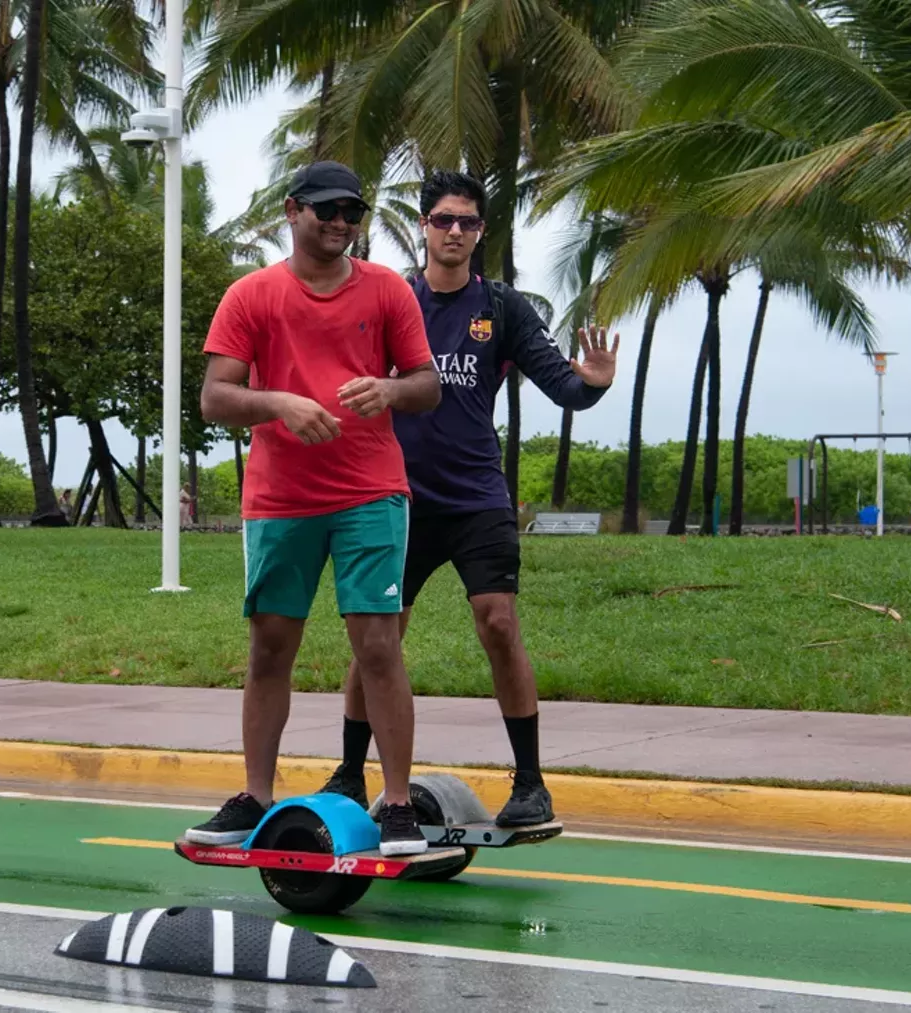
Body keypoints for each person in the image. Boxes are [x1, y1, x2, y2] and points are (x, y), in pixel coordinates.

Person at [317, 170, 619, 827]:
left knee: (499, 624)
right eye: (444, 220)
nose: (455, 232)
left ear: (480, 234)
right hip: (396, 498)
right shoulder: (391, 300)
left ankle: (531, 785)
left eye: (469, 223)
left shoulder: (503, 309)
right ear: (424, 226)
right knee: (378, 638)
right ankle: (347, 771)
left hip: (476, 497)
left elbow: (564, 388)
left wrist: (591, 385)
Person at [185, 161, 442, 856]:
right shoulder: (252, 295)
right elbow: (214, 397)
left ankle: (395, 804)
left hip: (369, 492)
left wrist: (388, 392)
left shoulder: (387, 290)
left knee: (379, 646)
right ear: (292, 212)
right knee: (270, 647)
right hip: (280, 500)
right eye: (326, 209)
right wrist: (279, 403)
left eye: (352, 212)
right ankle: (254, 797)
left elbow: (427, 384)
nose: (339, 223)